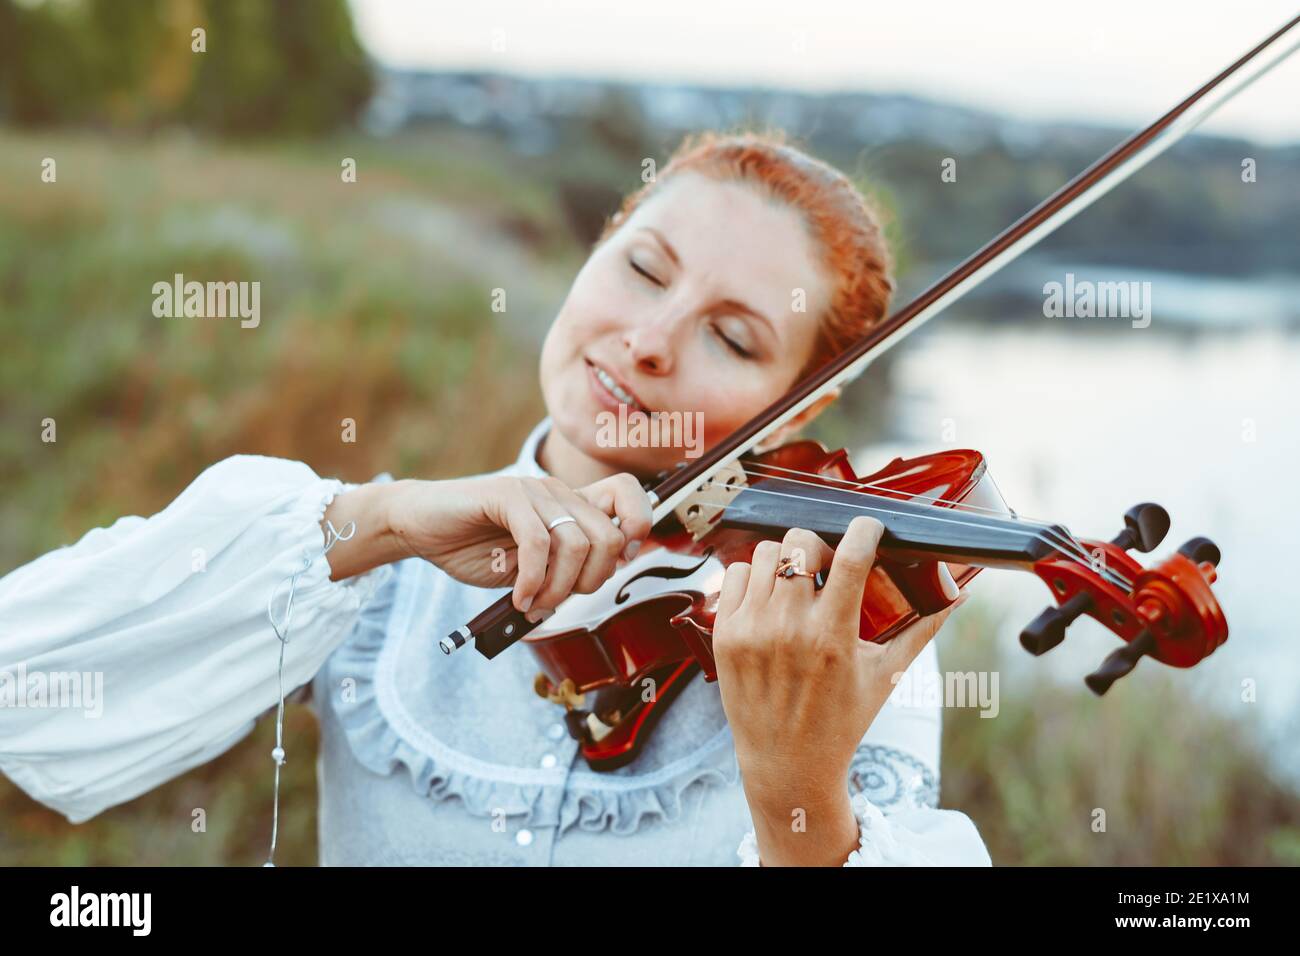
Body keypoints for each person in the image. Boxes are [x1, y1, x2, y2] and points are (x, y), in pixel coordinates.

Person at [0, 130, 990, 866]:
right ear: (595, 247)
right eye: (643, 269)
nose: (650, 340)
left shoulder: (834, 632)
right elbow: (23, 694)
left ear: (797, 407)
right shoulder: (373, 568)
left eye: (732, 339)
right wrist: (374, 522)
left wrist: (797, 798)